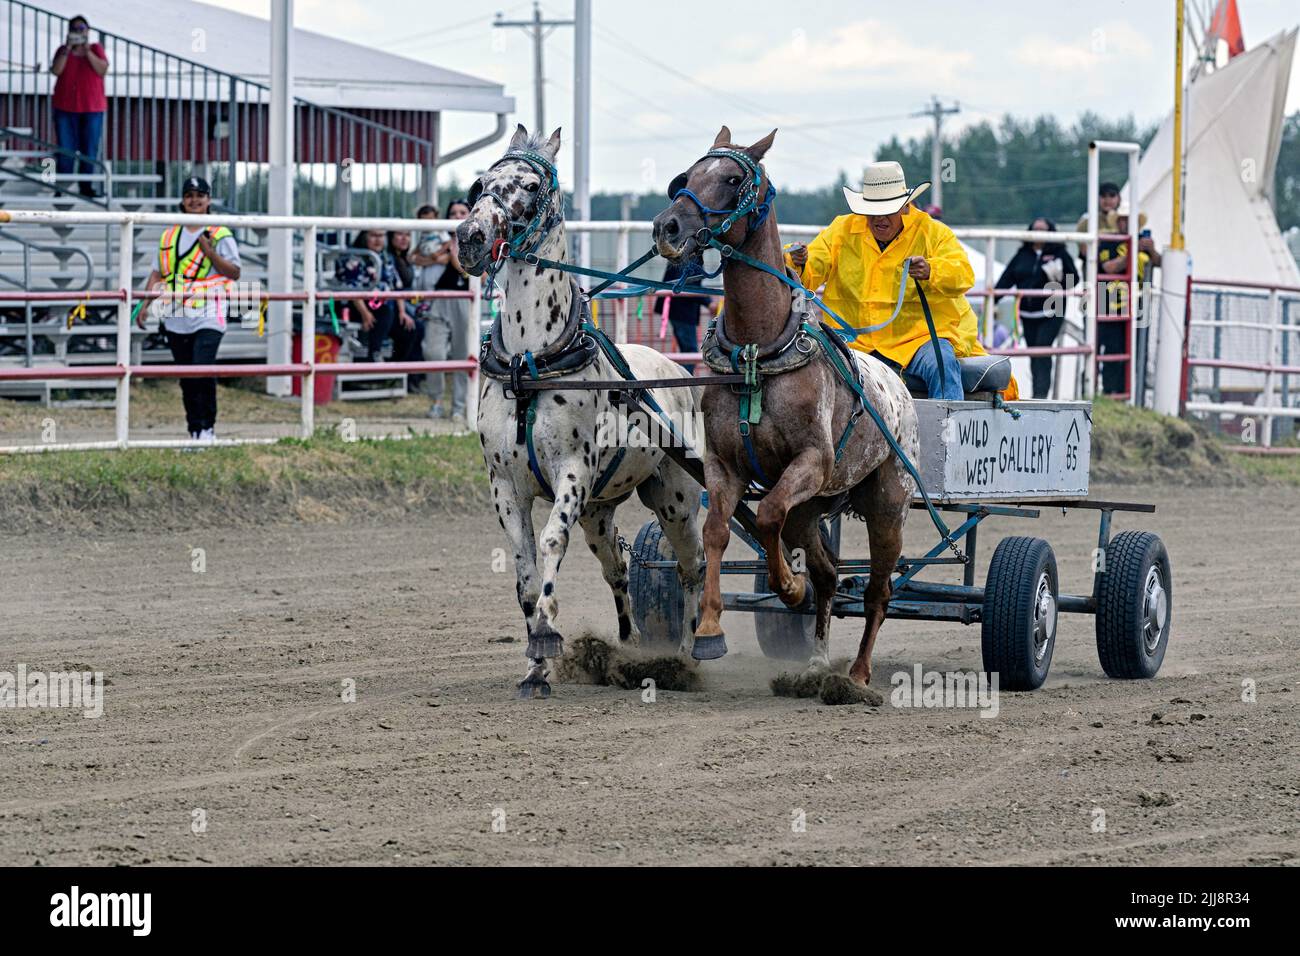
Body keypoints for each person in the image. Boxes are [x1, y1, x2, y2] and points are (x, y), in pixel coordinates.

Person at [787, 160, 1017, 401]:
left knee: (942, 364)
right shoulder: (841, 230)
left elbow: (962, 274)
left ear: (905, 207)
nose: (880, 219)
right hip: (853, 342)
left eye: (888, 211)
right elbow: (809, 272)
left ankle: (947, 434)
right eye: (873, 212)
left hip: (917, 340)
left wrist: (931, 270)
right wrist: (800, 262)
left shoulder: (931, 232)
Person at [136, 175, 240, 442]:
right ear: (182, 201)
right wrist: (145, 304)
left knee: (201, 368)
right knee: (186, 375)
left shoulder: (219, 233)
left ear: (209, 200)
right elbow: (158, 273)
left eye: (200, 195)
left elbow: (234, 272)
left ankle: (208, 429)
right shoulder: (169, 233)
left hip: (209, 311)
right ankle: (195, 430)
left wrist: (210, 253)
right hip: (176, 313)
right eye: (189, 195)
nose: (195, 200)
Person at [994, 217, 1080, 398]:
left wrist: (1059, 277)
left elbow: (1074, 280)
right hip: (1027, 312)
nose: (1039, 233)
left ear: (1051, 233)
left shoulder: (1060, 253)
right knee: (1035, 354)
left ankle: (1041, 395)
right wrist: (992, 300)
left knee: (1043, 349)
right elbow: (1007, 279)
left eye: (1044, 230)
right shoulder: (1022, 255)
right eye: (1036, 229)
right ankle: (1037, 394)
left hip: (1052, 310)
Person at [1097, 201, 1162, 396]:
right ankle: (1111, 391)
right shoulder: (1108, 241)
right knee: (1113, 349)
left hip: (1139, 304)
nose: (1126, 224)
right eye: (1123, 220)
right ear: (1118, 222)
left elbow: (1160, 263)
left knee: (1138, 348)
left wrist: (1151, 250)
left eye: (1130, 220)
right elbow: (1108, 267)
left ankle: (1135, 391)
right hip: (1111, 304)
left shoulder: (1145, 242)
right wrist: (1132, 253)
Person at [422, 199, 473, 422]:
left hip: (465, 301)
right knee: (433, 352)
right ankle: (436, 401)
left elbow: (469, 272)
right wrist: (438, 253)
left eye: (462, 212)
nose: (456, 217)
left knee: (463, 356)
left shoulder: (477, 243)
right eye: (452, 213)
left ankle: (459, 407)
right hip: (440, 298)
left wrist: (452, 250)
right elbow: (417, 258)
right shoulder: (439, 239)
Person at [49, 15, 109, 199]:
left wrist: (87, 51)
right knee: (66, 149)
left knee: (89, 150)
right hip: (65, 107)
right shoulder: (62, 50)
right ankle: (63, 186)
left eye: (82, 28)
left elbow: (102, 69)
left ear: (88, 31)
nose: (79, 32)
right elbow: (56, 70)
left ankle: (86, 186)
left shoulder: (96, 49)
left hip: (92, 108)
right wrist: (68, 49)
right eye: (75, 29)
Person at [337, 229, 417, 364]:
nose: (378, 240)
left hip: (383, 306)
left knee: (409, 328)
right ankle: (374, 355)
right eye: (374, 235)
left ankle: (396, 366)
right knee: (385, 313)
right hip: (357, 305)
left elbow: (397, 287)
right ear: (364, 237)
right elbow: (352, 290)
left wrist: (403, 312)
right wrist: (365, 313)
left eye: (381, 236)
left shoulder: (386, 258)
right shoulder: (354, 258)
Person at [654, 261, 715, 374]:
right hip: (682, 310)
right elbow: (686, 285)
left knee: (687, 351)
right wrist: (708, 302)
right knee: (690, 351)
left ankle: (684, 380)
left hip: (679, 308)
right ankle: (686, 382)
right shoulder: (690, 255)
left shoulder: (686, 253)